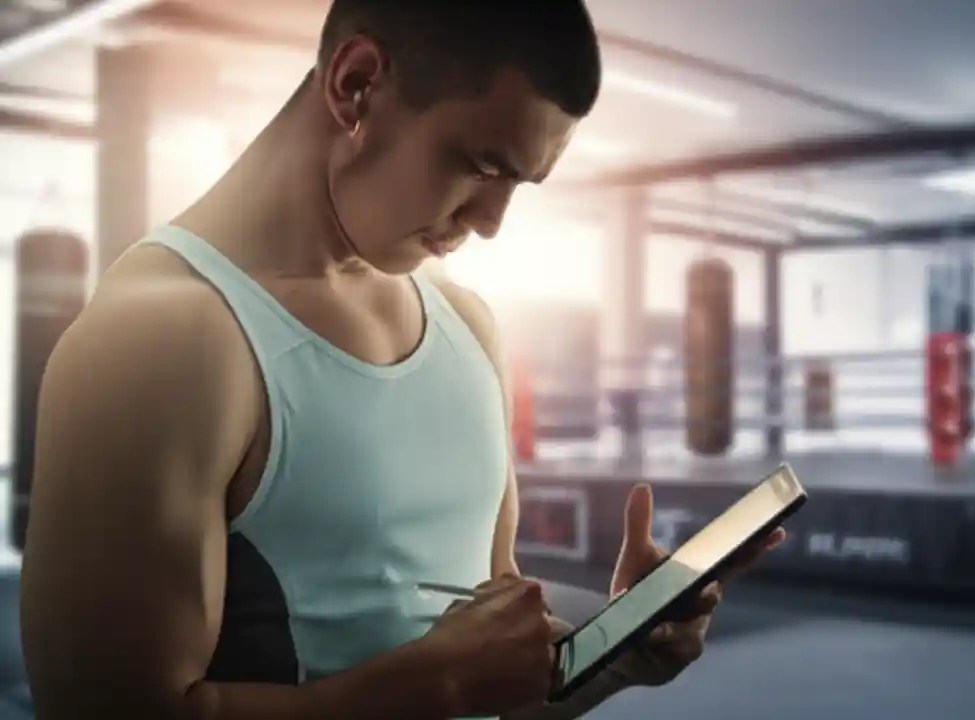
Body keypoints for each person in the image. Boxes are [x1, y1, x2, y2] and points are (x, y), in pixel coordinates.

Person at [19, 2, 785, 719]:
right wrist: (431, 683)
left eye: (520, 183)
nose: (492, 222)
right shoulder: (162, 339)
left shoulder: (466, 325)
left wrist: (616, 652)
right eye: (482, 166)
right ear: (356, 86)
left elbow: (492, 679)